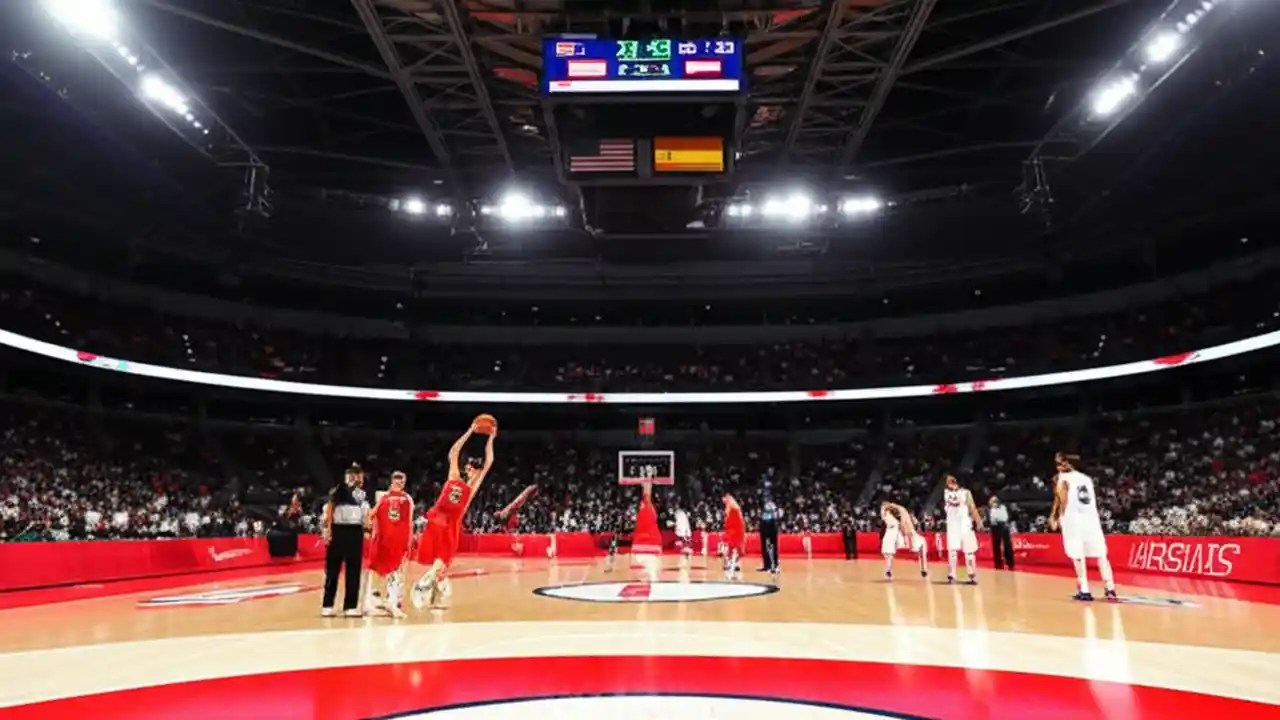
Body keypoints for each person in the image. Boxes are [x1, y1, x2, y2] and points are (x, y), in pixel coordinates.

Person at [410, 420, 497, 610]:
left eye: (475, 469)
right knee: (437, 565)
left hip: (451, 525)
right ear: (466, 469)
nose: (472, 470)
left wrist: (491, 437)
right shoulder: (454, 477)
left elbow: (489, 461)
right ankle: (424, 588)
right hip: (436, 521)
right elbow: (454, 452)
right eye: (471, 467)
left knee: (441, 566)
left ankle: (432, 595)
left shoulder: (472, 488)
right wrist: (470, 431)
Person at [1049, 452, 1117, 602]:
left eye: (1059, 463)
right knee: (1101, 554)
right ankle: (1110, 588)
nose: (1058, 466)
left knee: (1077, 555)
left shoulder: (1062, 479)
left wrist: (1055, 517)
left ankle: (1085, 590)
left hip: (1073, 519)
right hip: (1091, 519)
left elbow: (1062, 499)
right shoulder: (1086, 479)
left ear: (1067, 463)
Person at [321, 464, 369, 617]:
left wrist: (367, 526)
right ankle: (328, 604)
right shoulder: (338, 490)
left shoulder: (363, 494)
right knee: (333, 568)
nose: (358, 478)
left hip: (356, 531)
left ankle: (351, 606)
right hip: (338, 529)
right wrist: (327, 530)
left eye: (359, 475)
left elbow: (365, 513)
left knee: (354, 569)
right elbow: (329, 509)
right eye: (354, 475)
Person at [365, 471, 413, 618]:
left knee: (392, 572)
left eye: (401, 481)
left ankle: (389, 602)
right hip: (382, 541)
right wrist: (371, 530)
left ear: (404, 483)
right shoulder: (384, 498)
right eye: (396, 480)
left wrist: (408, 543)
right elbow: (370, 516)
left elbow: (409, 522)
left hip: (397, 541)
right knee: (379, 572)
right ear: (392, 482)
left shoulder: (406, 499)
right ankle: (373, 602)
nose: (398, 483)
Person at [942, 474, 983, 585]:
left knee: (967, 552)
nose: (947, 482)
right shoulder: (947, 493)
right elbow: (972, 507)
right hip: (953, 525)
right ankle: (952, 575)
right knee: (953, 552)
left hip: (964, 524)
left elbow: (972, 508)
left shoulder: (965, 493)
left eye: (949, 480)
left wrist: (978, 520)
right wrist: (978, 521)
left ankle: (971, 576)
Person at [881, 500, 928, 580]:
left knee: (889, 553)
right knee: (922, 544)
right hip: (906, 534)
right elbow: (908, 526)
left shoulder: (898, 514)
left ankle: (888, 570)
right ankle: (923, 568)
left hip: (903, 534)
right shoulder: (901, 513)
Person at [630, 479, 662, 582]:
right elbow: (646, 497)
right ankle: (650, 577)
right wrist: (647, 485)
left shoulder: (646, 511)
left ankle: (649, 577)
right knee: (651, 571)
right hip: (649, 544)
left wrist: (647, 486)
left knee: (648, 570)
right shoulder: (648, 512)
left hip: (645, 544)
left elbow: (646, 497)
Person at [496, 484, 537, 557]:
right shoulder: (508, 514)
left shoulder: (507, 514)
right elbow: (520, 500)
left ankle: (529, 490)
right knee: (520, 500)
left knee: (520, 500)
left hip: (510, 516)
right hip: (510, 517)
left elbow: (520, 500)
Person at [757, 473, 781, 578]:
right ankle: (767, 565)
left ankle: (774, 565)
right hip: (764, 522)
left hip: (771, 522)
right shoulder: (761, 500)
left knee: (773, 545)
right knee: (764, 544)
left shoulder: (775, 499)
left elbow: (776, 511)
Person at [722, 494, 746, 581]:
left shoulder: (732, 506)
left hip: (736, 529)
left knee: (736, 549)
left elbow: (730, 519)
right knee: (731, 548)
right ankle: (731, 564)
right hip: (734, 529)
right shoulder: (733, 506)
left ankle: (732, 563)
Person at [988, 496, 1015, 570]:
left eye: (993, 501)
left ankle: (1010, 562)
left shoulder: (1002, 508)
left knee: (1007, 545)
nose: (991, 503)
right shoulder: (991, 510)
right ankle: (998, 563)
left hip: (1003, 526)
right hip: (995, 527)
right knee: (996, 546)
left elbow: (1004, 517)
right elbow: (992, 519)